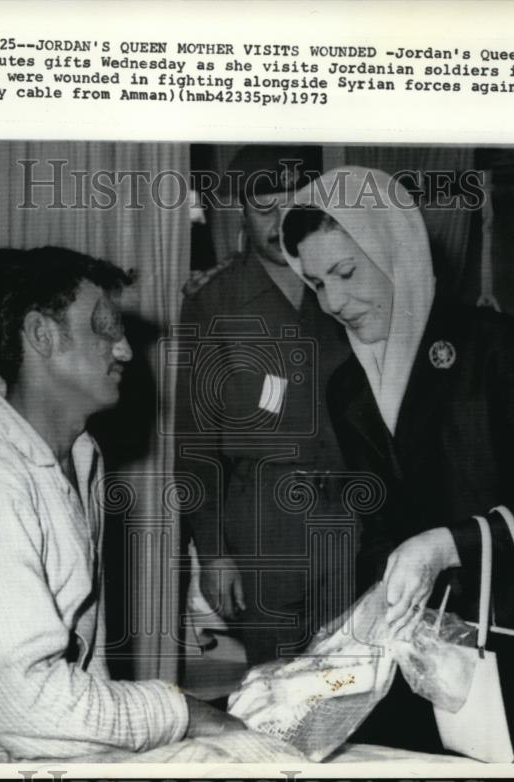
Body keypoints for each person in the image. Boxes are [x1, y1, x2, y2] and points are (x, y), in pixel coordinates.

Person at [279, 167, 514, 752]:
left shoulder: (497, 346)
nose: (336, 302)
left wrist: (443, 546)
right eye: (319, 284)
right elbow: (379, 524)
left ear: (396, 250)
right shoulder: (348, 389)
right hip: (431, 643)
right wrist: (370, 616)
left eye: (346, 273)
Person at [0, 247, 243, 764]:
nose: (123, 350)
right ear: (41, 335)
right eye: (104, 329)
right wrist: (185, 715)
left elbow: (74, 685)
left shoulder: (79, 457)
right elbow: (27, 705)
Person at [176, 145, 352, 667]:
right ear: (240, 213)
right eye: (264, 207)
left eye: (293, 204)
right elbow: (195, 437)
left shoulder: (348, 282)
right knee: (274, 684)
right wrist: (212, 552)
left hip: (350, 509)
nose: (279, 222)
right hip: (265, 518)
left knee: (350, 679)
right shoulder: (216, 301)